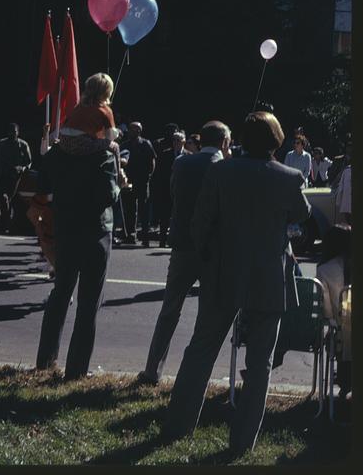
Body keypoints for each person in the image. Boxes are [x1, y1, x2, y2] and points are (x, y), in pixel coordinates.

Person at [162, 111, 311, 457]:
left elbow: (200, 225)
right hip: (267, 280)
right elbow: (302, 215)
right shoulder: (289, 177)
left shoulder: (220, 171)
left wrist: (211, 258)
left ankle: (177, 426)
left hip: (222, 275)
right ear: (277, 140)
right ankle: (242, 442)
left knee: (200, 351)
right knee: (260, 366)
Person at [138, 121, 231, 385]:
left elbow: (173, 194)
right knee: (206, 316)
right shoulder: (225, 169)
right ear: (225, 142)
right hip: (212, 250)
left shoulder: (181, 163)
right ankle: (193, 375)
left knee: (169, 310)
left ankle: (152, 369)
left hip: (181, 245)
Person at [35, 134, 119, 380]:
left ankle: (46, 359)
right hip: (96, 231)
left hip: (65, 229)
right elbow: (109, 195)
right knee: (89, 301)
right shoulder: (104, 154)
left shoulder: (57, 153)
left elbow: (43, 187)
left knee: (60, 293)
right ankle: (77, 368)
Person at [316, 225, 351, 398]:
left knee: (340, 331)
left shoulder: (325, 270)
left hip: (343, 338)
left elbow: (327, 313)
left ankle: (345, 383)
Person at [58, 72, 120, 155]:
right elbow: (111, 137)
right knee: (115, 146)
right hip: (80, 143)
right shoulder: (105, 110)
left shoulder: (79, 106)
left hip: (63, 141)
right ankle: (118, 168)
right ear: (107, 92)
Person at [122, 122, 157, 246]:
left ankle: (145, 235)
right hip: (129, 180)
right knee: (130, 208)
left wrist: (148, 176)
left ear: (139, 131)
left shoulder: (146, 144)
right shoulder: (125, 145)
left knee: (144, 208)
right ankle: (130, 234)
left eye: (135, 129)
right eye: (131, 129)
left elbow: (152, 161)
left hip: (142, 180)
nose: (132, 131)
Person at [0, 123, 32, 227]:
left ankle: (6, 222)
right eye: (11, 131)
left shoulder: (23, 144)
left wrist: (22, 169)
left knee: (8, 198)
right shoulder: (1, 144)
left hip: (15, 176)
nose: (12, 134)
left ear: (18, 133)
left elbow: (29, 162)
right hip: (2, 174)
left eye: (14, 132)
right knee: (3, 198)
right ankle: (5, 222)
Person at [151, 123, 181, 247]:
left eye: (178, 140)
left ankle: (176, 239)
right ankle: (163, 240)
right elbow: (159, 170)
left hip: (180, 189)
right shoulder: (163, 152)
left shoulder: (188, 155)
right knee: (164, 215)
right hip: (165, 187)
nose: (175, 141)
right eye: (174, 140)